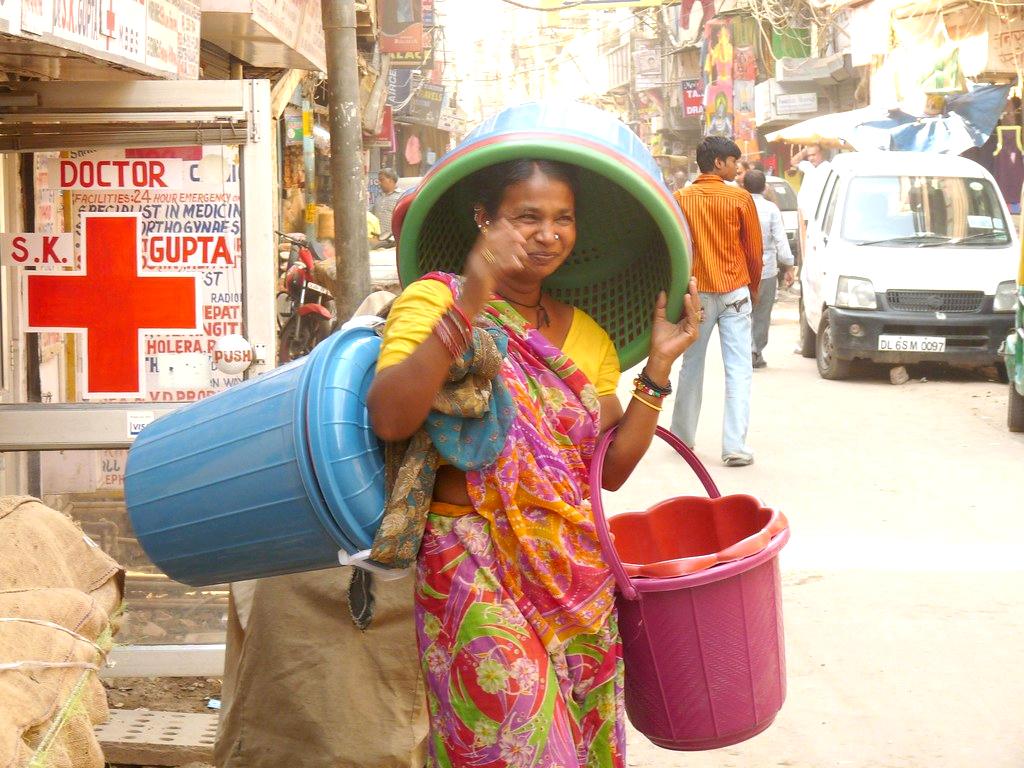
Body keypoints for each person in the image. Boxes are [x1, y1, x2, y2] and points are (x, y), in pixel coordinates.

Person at [366, 158, 702, 768]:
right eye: (527, 217)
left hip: (574, 573)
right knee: (516, 748)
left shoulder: (592, 337)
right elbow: (391, 416)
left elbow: (609, 473)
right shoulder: (433, 299)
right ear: (483, 218)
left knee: (577, 747)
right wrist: (470, 299)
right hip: (473, 561)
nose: (547, 235)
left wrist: (656, 370)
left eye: (562, 220)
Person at [670, 136, 763, 467]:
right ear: (719, 163)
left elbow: (674, 248)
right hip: (735, 291)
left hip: (697, 296)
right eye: (734, 162)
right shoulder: (740, 198)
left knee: (691, 366)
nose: (738, 168)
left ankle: (681, 437)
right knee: (738, 369)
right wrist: (753, 288)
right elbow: (754, 251)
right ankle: (734, 445)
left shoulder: (680, 199)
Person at [742, 169, 794, 369]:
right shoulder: (771, 209)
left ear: (744, 186)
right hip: (766, 270)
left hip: (742, 271)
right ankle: (755, 351)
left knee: (742, 312)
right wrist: (788, 265)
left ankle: (742, 351)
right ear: (764, 187)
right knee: (762, 313)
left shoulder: (738, 205)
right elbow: (781, 240)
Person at [373, 167, 403, 241]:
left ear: (391, 180)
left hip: (392, 241)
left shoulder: (402, 197)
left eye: (382, 180)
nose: (379, 183)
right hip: (376, 238)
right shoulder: (379, 196)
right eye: (378, 180)